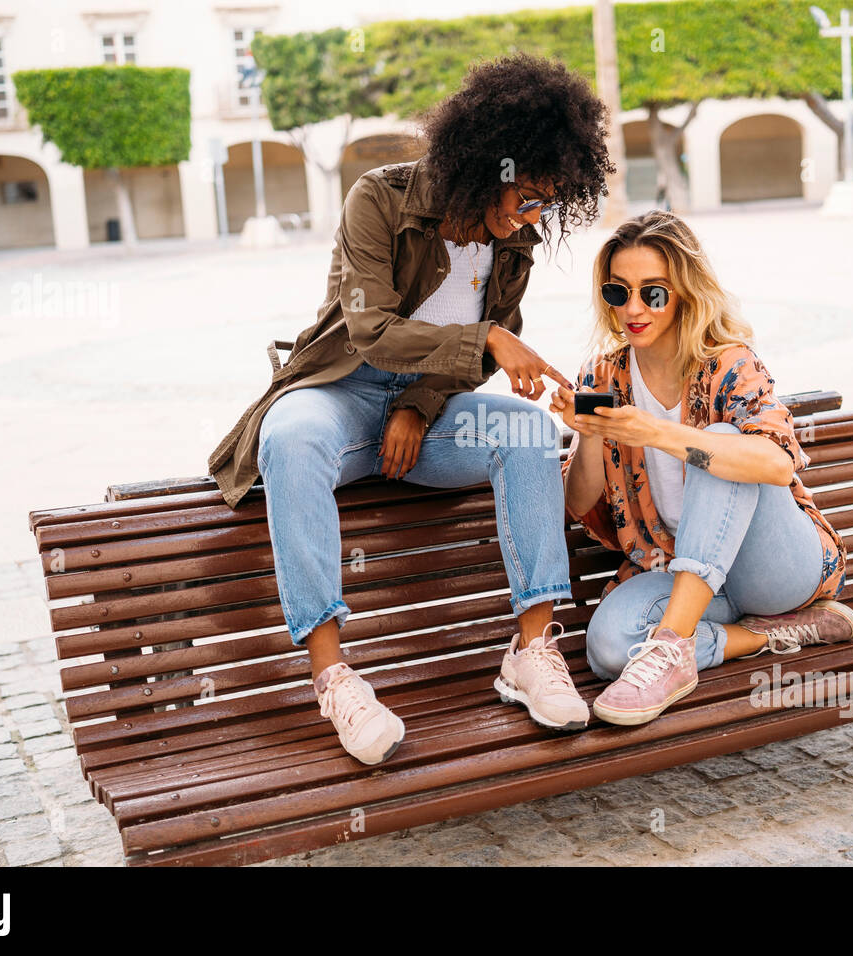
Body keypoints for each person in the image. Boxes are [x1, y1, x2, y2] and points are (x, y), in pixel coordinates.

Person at [207, 53, 615, 764]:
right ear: (489, 166)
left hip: (425, 413)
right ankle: (334, 678)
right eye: (527, 197)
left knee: (524, 428)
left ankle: (530, 653)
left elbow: (479, 356)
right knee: (290, 439)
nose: (532, 217)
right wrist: (484, 336)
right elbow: (372, 329)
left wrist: (423, 407)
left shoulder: (513, 242)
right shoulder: (380, 199)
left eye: (547, 203)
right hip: (340, 393)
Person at [549, 210, 853, 727]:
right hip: (680, 570)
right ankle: (772, 634)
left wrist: (654, 432)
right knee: (607, 648)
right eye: (617, 292)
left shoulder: (729, 363)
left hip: (773, 570)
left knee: (718, 443)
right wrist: (590, 432)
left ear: (686, 292)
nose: (633, 308)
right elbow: (579, 503)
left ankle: (672, 649)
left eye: (652, 292)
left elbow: (777, 464)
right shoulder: (603, 374)